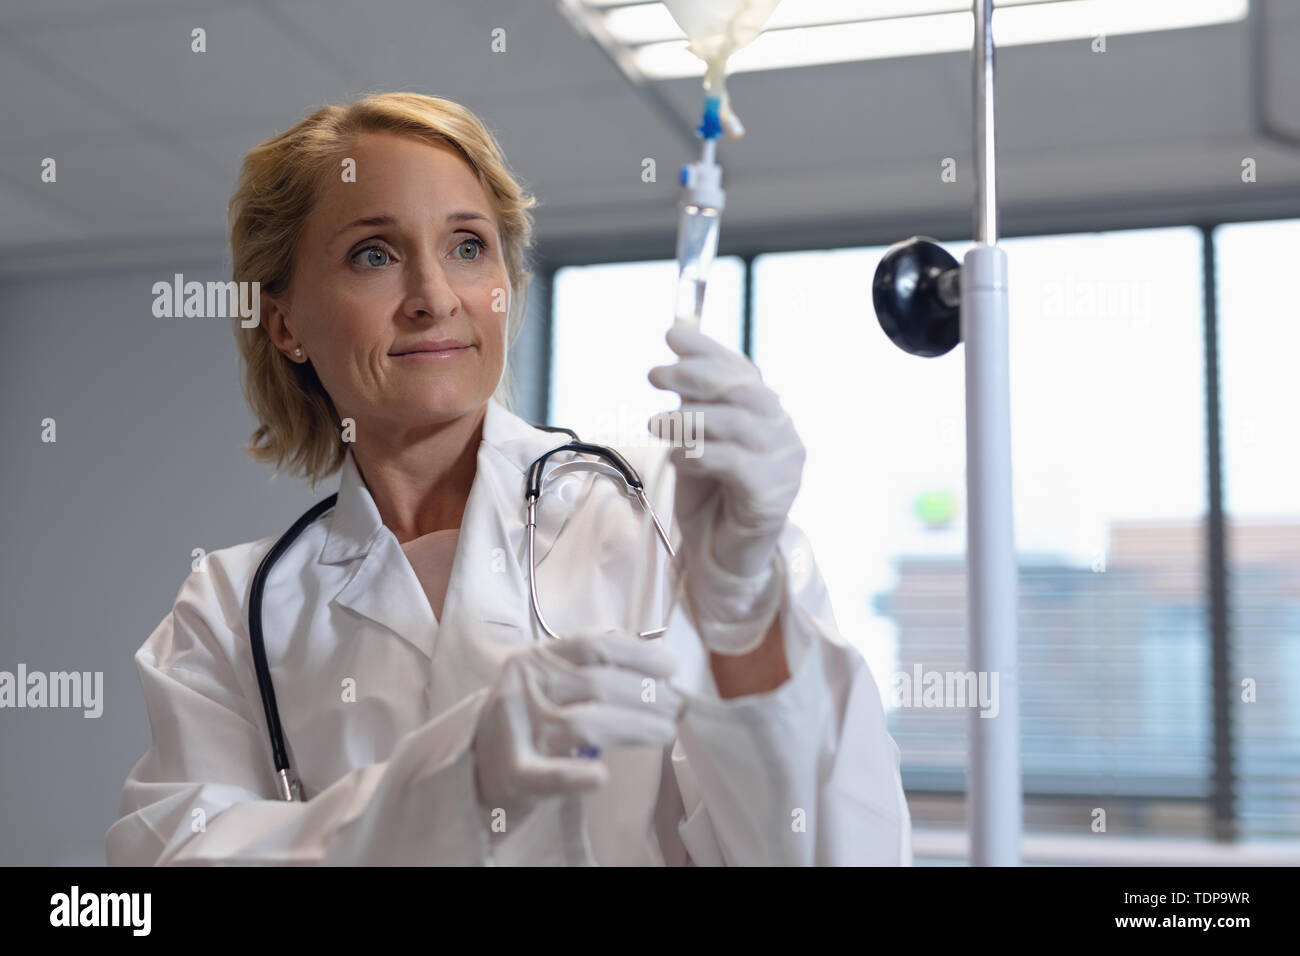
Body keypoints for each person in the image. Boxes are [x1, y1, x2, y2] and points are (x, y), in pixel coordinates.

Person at [105, 92, 911, 866]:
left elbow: (840, 850)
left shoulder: (667, 510)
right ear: (284, 323)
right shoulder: (231, 609)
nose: (434, 297)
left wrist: (744, 625)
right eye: (373, 254)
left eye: (467, 246)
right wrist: (450, 787)